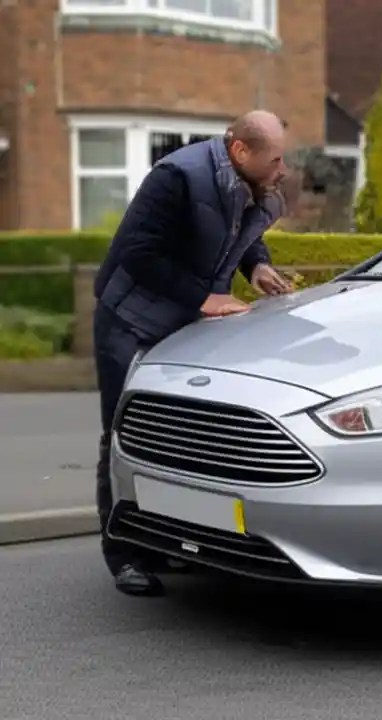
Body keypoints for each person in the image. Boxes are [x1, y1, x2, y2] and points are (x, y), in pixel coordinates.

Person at [92, 110, 295, 596]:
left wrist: (258, 265)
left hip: (184, 326)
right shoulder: (175, 177)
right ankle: (125, 555)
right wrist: (204, 299)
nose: (283, 169)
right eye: (276, 159)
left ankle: (176, 539)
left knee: (185, 438)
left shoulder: (247, 181)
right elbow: (137, 251)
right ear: (241, 151)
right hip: (130, 323)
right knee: (124, 434)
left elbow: (235, 233)